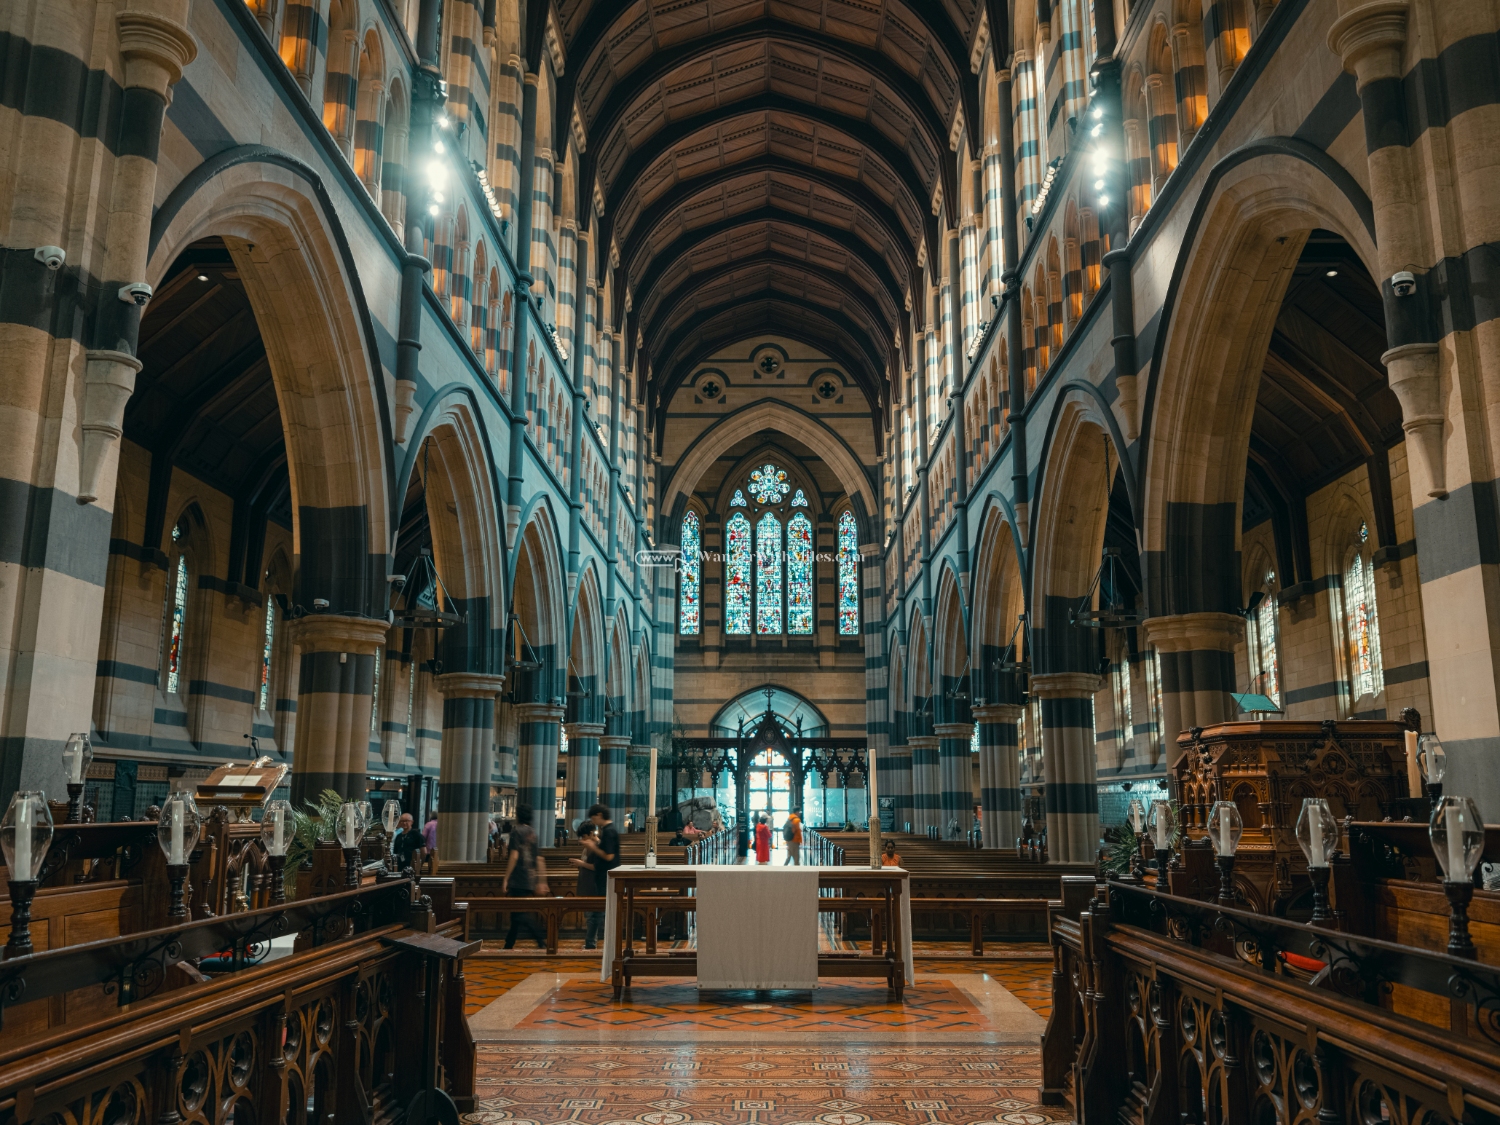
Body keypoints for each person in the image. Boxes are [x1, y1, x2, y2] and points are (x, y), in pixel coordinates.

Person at [502, 803, 550, 949]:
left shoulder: (517, 832)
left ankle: (540, 939)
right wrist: (542, 880)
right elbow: (539, 859)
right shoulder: (532, 833)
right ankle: (509, 944)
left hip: (519, 877)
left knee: (520, 914)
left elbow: (514, 856)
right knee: (517, 913)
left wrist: (506, 877)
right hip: (530, 877)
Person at [579, 804, 619, 950]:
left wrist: (592, 847)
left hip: (603, 880)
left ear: (599, 815)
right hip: (601, 880)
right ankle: (597, 943)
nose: (593, 821)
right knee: (597, 914)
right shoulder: (608, 831)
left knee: (597, 914)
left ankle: (598, 943)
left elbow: (608, 857)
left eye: (593, 817)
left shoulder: (608, 832)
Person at [570, 821, 600, 948]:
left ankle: (590, 943)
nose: (582, 840)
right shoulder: (588, 846)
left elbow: (597, 867)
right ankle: (590, 942)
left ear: (592, 833)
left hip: (593, 886)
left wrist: (580, 864)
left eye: (584, 837)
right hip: (586, 884)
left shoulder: (598, 846)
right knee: (590, 915)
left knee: (592, 916)